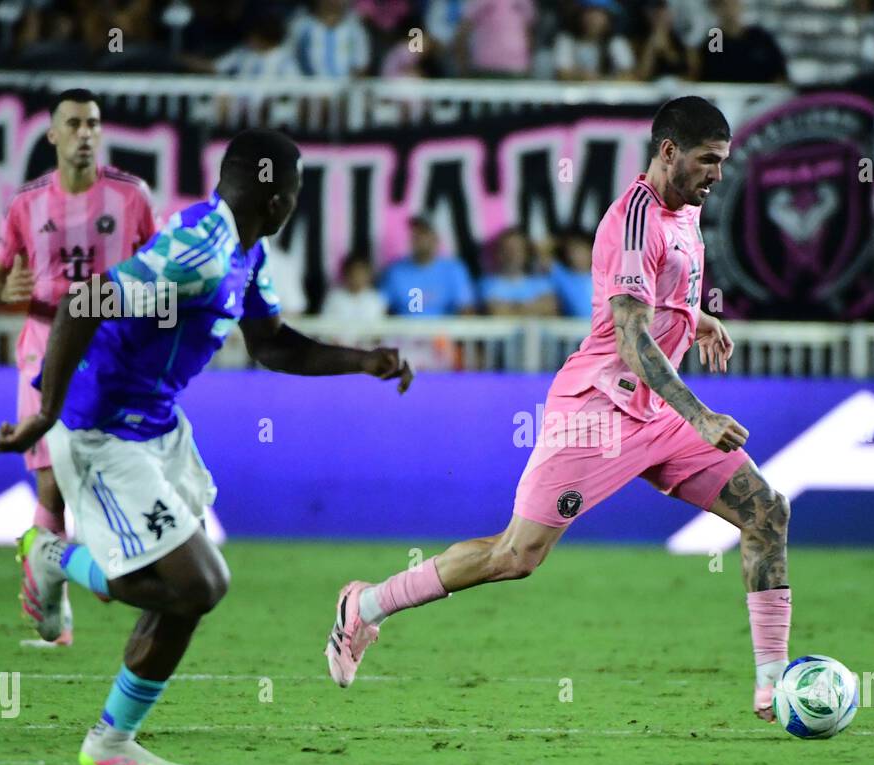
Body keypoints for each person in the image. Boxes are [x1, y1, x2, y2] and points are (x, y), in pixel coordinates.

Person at [325, 97, 795, 726]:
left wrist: (694, 316)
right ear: (668, 153)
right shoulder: (633, 219)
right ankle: (367, 606)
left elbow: (656, 296)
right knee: (514, 557)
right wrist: (702, 414)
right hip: (599, 411)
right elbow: (629, 337)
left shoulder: (686, 212)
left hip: (658, 413)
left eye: (722, 162)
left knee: (766, 511)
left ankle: (774, 690)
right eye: (708, 161)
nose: (717, 174)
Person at [0, 129, 413, 765]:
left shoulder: (246, 252)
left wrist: (364, 361)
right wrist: (44, 413)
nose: (295, 205)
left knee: (160, 584)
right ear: (272, 199)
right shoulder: (200, 253)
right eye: (293, 192)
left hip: (160, 431)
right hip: (102, 431)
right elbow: (85, 301)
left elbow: (271, 344)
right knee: (196, 583)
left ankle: (54, 567)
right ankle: (105, 734)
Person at [0, 88, 157, 649]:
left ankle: (84, 565)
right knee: (51, 481)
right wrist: (3, 284)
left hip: (108, 344)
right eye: (74, 124)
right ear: (53, 135)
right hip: (44, 338)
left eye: (94, 124)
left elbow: (158, 267)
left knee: (104, 473)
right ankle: (55, 615)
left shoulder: (131, 197)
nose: (85, 133)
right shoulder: (26, 203)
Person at [379, 216, 477, 316]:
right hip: (403, 330)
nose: (418, 238)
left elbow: (466, 309)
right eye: (415, 234)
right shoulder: (395, 271)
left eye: (424, 233)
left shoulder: (453, 270)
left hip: (443, 330)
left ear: (435, 238)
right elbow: (381, 308)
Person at [691, 0, 787, 85]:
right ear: (715, 9)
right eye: (723, 5)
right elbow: (705, 77)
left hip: (763, 97)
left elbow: (780, 74)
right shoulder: (713, 41)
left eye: (733, 3)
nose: (730, 10)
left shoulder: (760, 38)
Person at [478, 227, 557, 316]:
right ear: (499, 253)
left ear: (526, 253)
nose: (513, 254)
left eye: (518, 249)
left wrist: (512, 307)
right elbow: (495, 312)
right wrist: (533, 306)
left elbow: (551, 309)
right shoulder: (487, 284)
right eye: (508, 249)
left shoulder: (541, 282)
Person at [553, 0, 636, 82]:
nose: (594, 18)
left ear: (610, 18)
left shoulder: (617, 42)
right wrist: (584, 76)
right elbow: (562, 74)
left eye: (600, 13)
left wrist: (601, 80)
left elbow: (629, 75)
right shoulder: (567, 39)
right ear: (579, 15)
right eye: (589, 12)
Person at [322, 254, 387, 330]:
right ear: (346, 274)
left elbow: (381, 331)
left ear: (369, 275)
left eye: (362, 273)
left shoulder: (376, 299)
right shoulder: (334, 298)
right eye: (355, 273)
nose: (358, 278)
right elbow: (325, 327)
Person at [547, 230, 594, 318]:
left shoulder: (604, 278)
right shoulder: (563, 277)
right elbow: (546, 261)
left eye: (582, 251)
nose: (578, 256)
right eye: (574, 252)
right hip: (573, 329)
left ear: (591, 251)